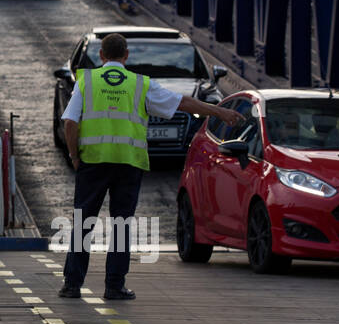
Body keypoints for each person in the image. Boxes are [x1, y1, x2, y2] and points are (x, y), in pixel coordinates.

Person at [58, 33, 243, 301]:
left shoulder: (86, 81)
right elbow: (183, 103)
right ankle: (113, 286)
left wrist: (74, 155)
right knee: (121, 224)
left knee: (84, 222)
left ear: (101, 56)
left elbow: (70, 123)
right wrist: (221, 112)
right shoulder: (140, 84)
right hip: (129, 164)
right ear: (126, 56)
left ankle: (72, 284)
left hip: (93, 162)